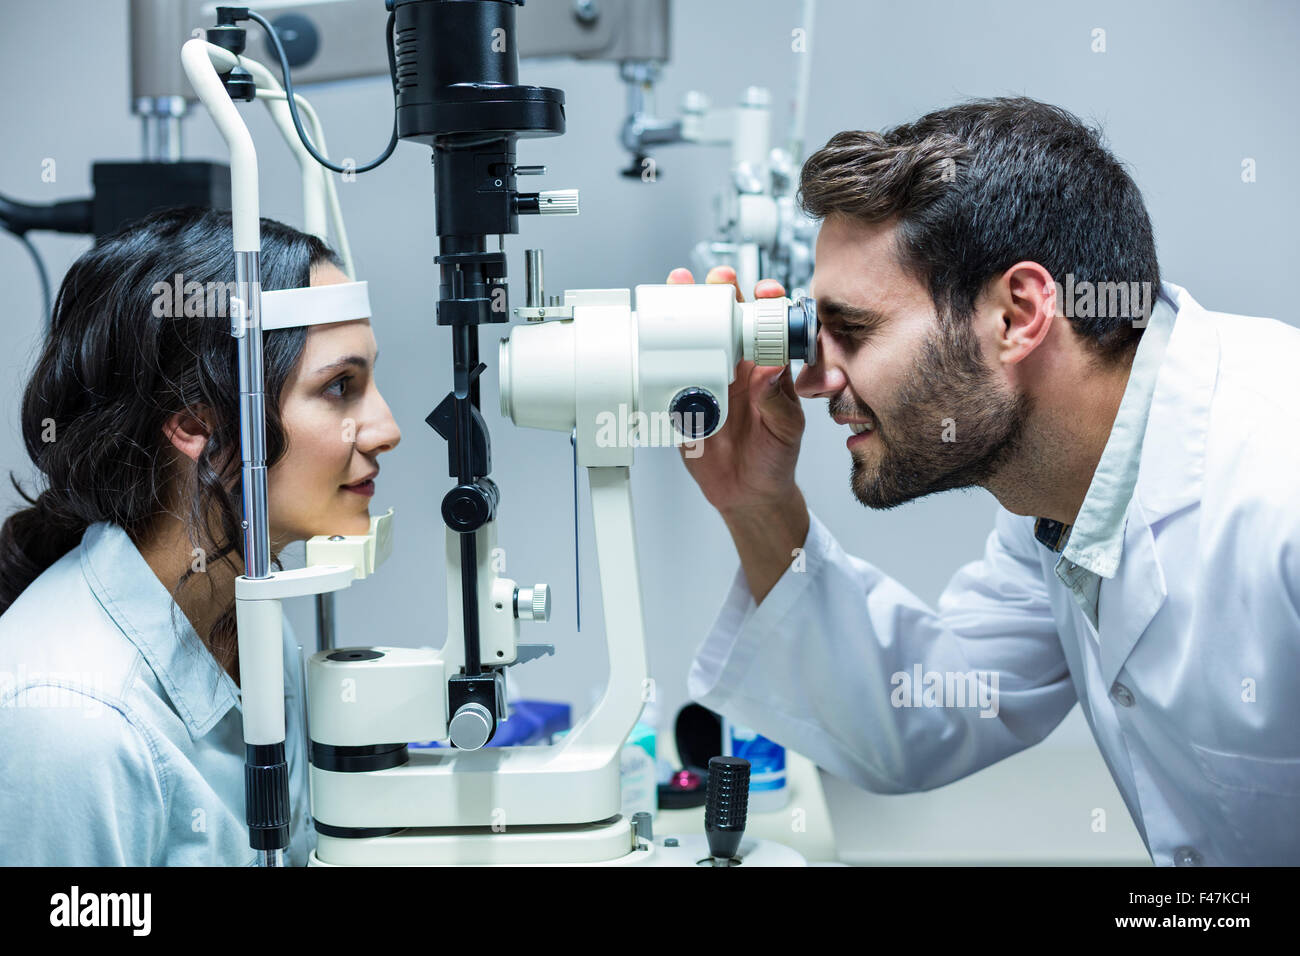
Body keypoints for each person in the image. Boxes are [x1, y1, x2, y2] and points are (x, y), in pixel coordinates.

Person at [676, 96, 1300, 866]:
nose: (812, 379)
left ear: (1017, 315)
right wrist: (760, 504)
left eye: (853, 331)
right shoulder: (1061, 492)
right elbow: (930, 713)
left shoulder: (1278, 483)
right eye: (812, 330)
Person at [0, 205, 401, 865]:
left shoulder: (250, 617)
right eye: (340, 388)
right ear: (198, 426)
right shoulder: (71, 725)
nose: (385, 427)